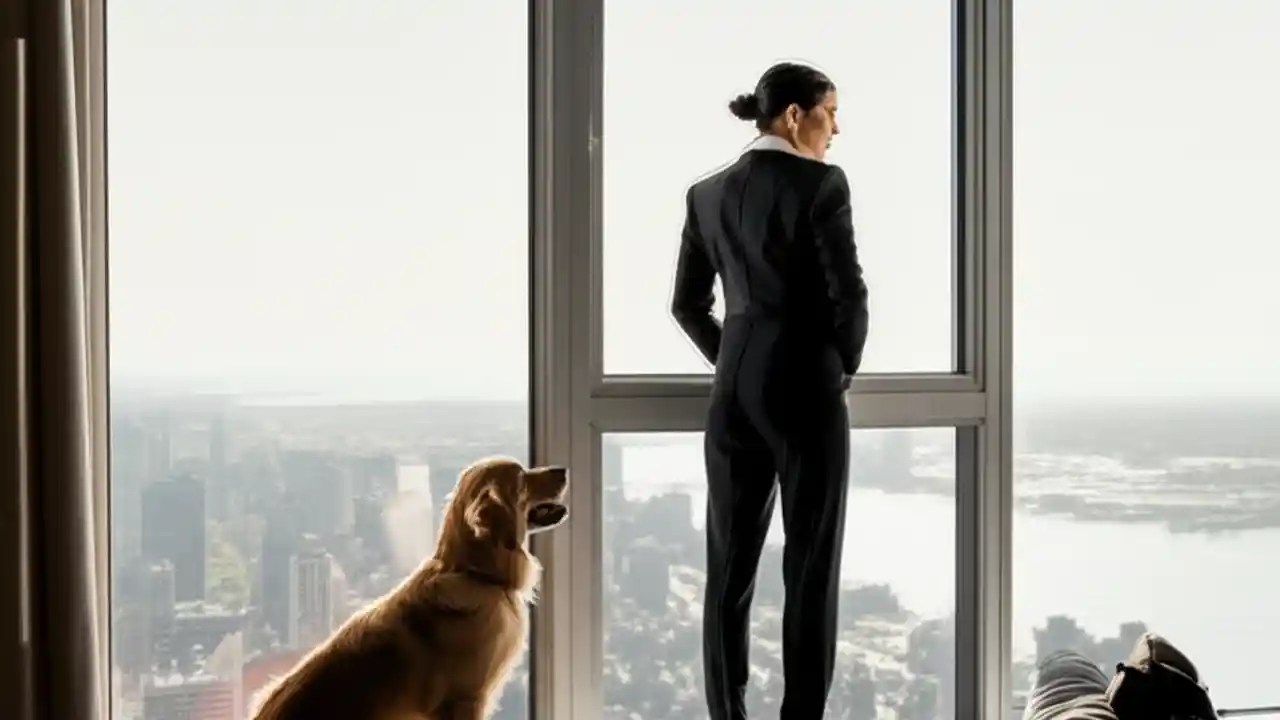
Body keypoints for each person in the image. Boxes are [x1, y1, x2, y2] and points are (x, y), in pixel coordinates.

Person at [670, 61, 869, 720]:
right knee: (810, 568)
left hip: (732, 393)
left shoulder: (706, 194)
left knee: (727, 568)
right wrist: (838, 367)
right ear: (794, 116)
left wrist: (733, 357)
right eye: (830, 112)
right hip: (805, 389)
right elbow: (849, 294)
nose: (836, 128)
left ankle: (728, 714)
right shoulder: (821, 184)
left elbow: (687, 304)